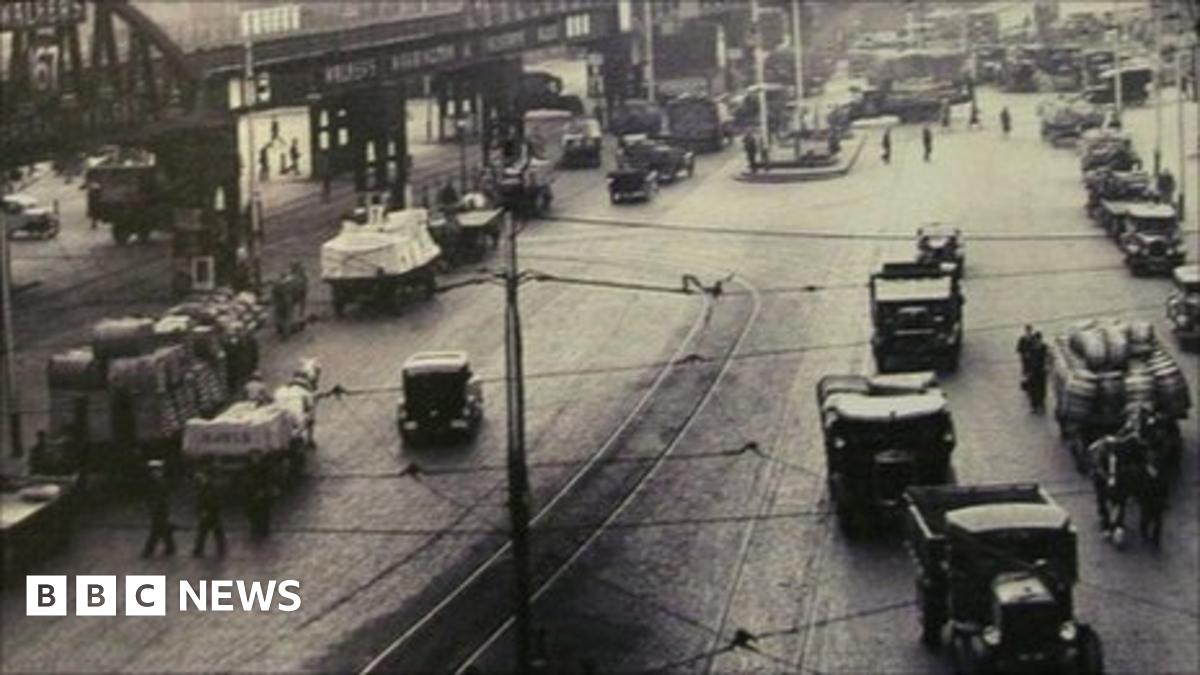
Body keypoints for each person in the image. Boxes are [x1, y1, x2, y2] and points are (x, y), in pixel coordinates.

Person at [141, 460, 176, 558]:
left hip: (159, 509)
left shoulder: (160, 482)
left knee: (156, 530)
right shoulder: (154, 482)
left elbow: (161, 496)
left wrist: (155, 506)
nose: (154, 473)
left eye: (156, 471)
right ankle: (170, 547)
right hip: (158, 508)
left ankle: (149, 550)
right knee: (163, 529)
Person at [192, 464, 226, 558]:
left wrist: (208, 510)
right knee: (204, 532)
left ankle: (220, 549)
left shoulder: (210, 487)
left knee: (214, 531)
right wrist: (200, 511)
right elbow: (198, 501)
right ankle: (199, 549)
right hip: (206, 512)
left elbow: (215, 500)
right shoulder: (200, 486)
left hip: (212, 512)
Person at [245, 450, 273, 539]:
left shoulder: (265, 468)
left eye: (257, 457)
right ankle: (255, 528)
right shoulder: (248, 467)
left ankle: (264, 529)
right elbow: (245, 480)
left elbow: (268, 480)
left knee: (264, 512)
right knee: (252, 511)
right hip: (251, 493)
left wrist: (264, 491)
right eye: (253, 457)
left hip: (262, 493)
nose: (255, 458)